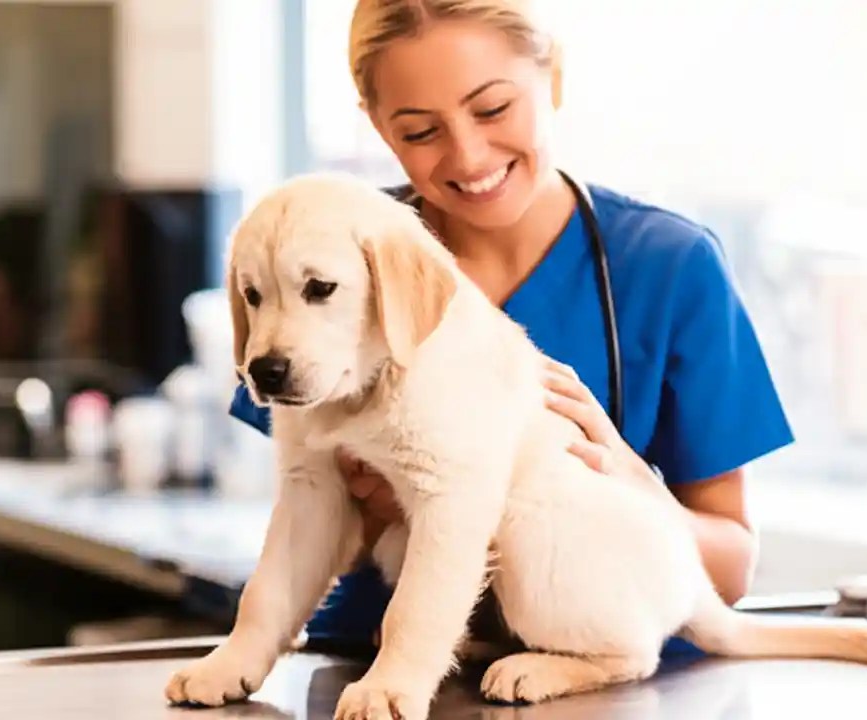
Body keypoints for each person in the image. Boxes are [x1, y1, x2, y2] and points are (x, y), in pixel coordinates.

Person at [228, 0, 793, 656]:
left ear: (551, 78)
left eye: (493, 109)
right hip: (364, 674)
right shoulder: (322, 254)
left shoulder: (667, 264)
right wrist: (388, 505)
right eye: (419, 131)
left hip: (596, 679)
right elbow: (303, 512)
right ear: (378, 127)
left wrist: (631, 487)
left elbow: (728, 570)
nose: (468, 156)